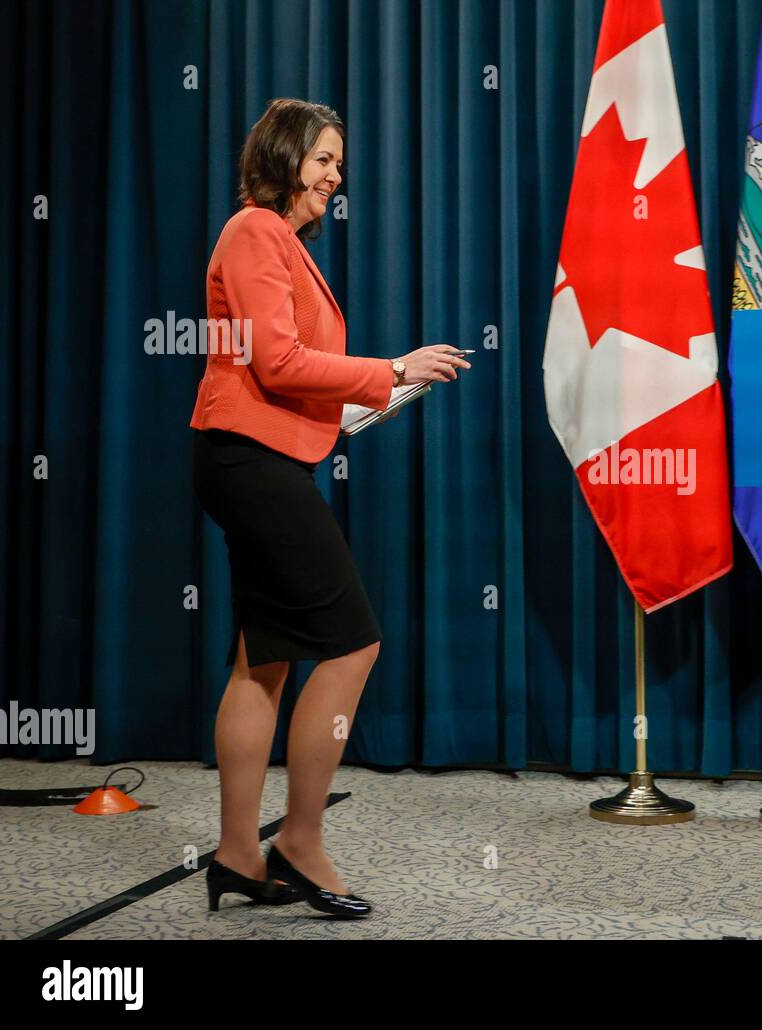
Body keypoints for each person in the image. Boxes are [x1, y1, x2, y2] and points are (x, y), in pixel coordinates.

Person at [190, 98, 469, 918]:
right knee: (353, 644)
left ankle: (238, 855)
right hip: (250, 464)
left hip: (261, 460)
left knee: (264, 659)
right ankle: (300, 842)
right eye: (323, 160)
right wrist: (390, 368)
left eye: (339, 164)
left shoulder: (279, 242)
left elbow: (293, 379)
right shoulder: (255, 232)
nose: (335, 176)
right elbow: (278, 362)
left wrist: (391, 391)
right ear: (283, 158)